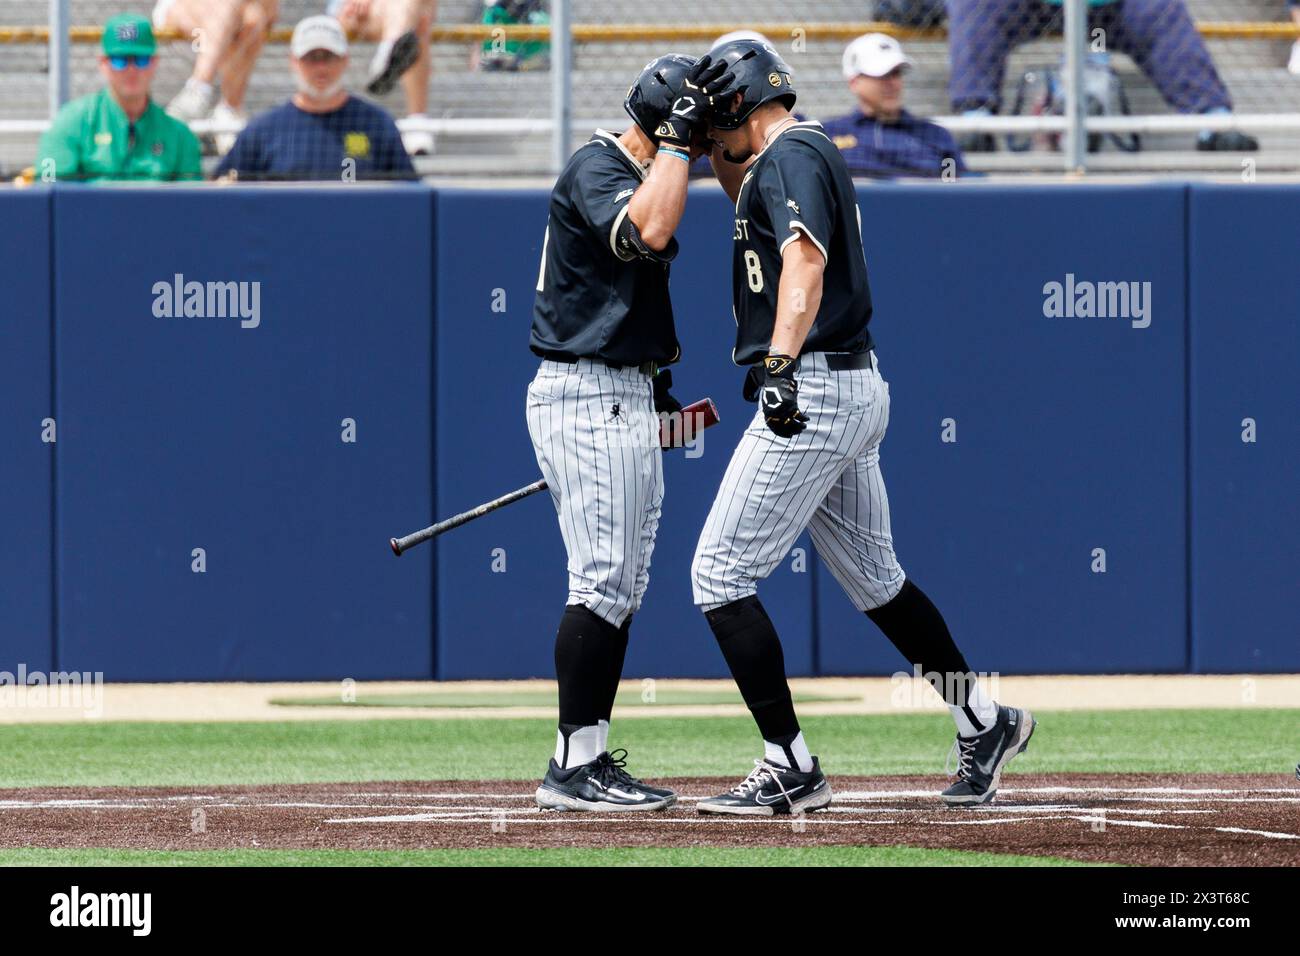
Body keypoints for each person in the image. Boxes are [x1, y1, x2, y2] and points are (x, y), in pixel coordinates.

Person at [692, 38, 1035, 815]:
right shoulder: (783, 157)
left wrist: (778, 367)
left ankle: (790, 765)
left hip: (814, 385)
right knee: (878, 581)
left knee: (718, 576)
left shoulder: (794, 153)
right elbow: (746, 200)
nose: (714, 135)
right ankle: (984, 721)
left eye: (720, 119)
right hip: (846, 385)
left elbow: (805, 268)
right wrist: (710, 145)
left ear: (743, 102)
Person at [527, 54, 729, 811]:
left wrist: (658, 387)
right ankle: (573, 766)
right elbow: (648, 229)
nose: (706, 150)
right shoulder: (599, 164)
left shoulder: (640, 169)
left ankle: (584, 756)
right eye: (699, 134)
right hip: (585, 391)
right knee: (603, 578)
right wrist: (675, 144)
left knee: (621, 582)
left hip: (621, 392)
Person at [947, 0, 1258, 152]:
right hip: (1029, 4)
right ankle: (977, 119)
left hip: (1108, 4)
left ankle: (1213, 122)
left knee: (1159, 9)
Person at [215, 16, 416, 181]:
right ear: (293, 61)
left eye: (328, 57)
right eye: (311, 58)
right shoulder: (263, 130)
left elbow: (410, 194)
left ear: (345, 60)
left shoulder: (375, 123)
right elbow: (222, 190)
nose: (321, 68)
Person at [36, 12, 201, 183]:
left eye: (141, 60)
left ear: (155, 63)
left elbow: (191, 204)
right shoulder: (72, 122)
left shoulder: (179, 136)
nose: (131, 70)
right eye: (120, 60)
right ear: (103, 64)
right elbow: (49, 188)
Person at [822, 33, 967, 179]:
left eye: (896, 74)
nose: (892, 83)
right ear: (854, 82)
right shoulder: (826, 135)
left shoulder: (936, 136)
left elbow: (962, 195)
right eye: (881, 75)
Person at [155, 0, 278, 153]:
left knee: (254, 17)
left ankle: (222, 104)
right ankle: (203, 90)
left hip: (228, 31)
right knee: (229, 6)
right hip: (183, 15)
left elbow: (271, 12)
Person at [330, 0, 438, 156]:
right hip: (350, 11)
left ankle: (389, 52)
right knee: (417, 21)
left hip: (399, 11)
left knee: (417, 17)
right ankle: (417, 120)